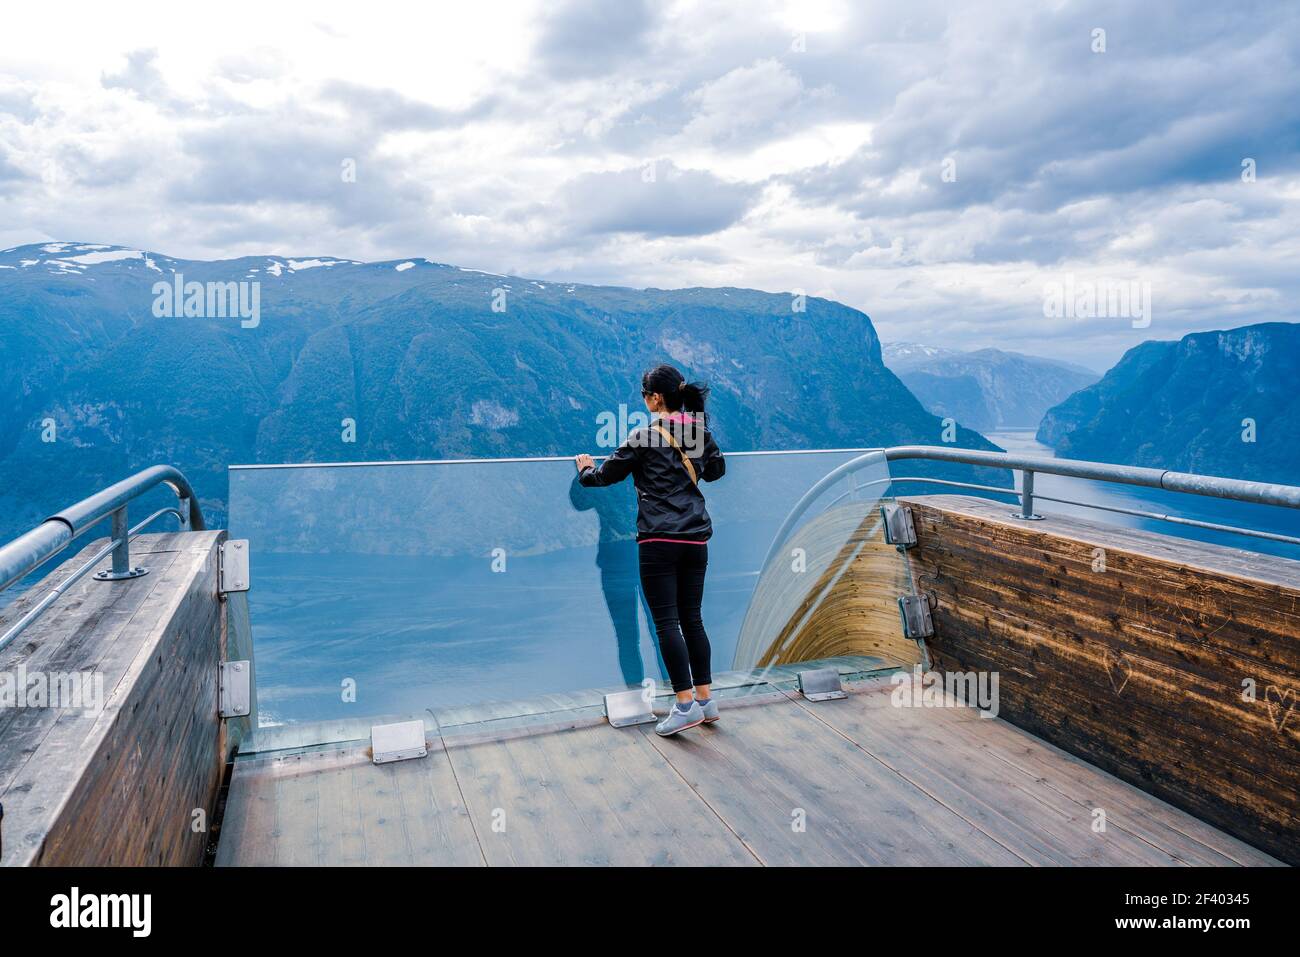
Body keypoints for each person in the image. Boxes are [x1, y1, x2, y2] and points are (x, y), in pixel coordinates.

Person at [575, 363, 726, 736]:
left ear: (656, 398)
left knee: (667, 623)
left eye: (644, 395)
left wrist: (584, 468)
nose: (643, 401)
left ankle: (684, 704)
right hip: (696, 538)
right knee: (693, 620)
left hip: (659, 540)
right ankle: (706, 701)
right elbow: (716, 471)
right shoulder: (697, 432)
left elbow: (603, 477)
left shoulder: (643, 436)